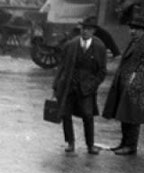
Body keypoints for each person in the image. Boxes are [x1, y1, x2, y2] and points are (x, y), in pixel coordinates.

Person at [53, 16, 108, 154]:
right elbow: (62, 66)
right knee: (66, 114)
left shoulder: (99, 47)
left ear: (93, 31)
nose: (85, 32)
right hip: (69, 85)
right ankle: (70, 143)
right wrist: (56, 85)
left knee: (88, 115)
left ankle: (90, 145)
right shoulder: (71, 45)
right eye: (83, 29)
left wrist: (93, 85)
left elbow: (102, 71)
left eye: (88, 29)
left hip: (87, 88)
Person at [102, 17, 144, 155]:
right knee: (123, 114)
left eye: (136, 29)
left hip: (136, 86)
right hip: (125, 83)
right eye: (132, 28)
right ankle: (124, 143)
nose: (132, 31)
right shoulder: (134, 42)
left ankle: (130, 146)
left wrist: (136, 79)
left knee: (132, 116)